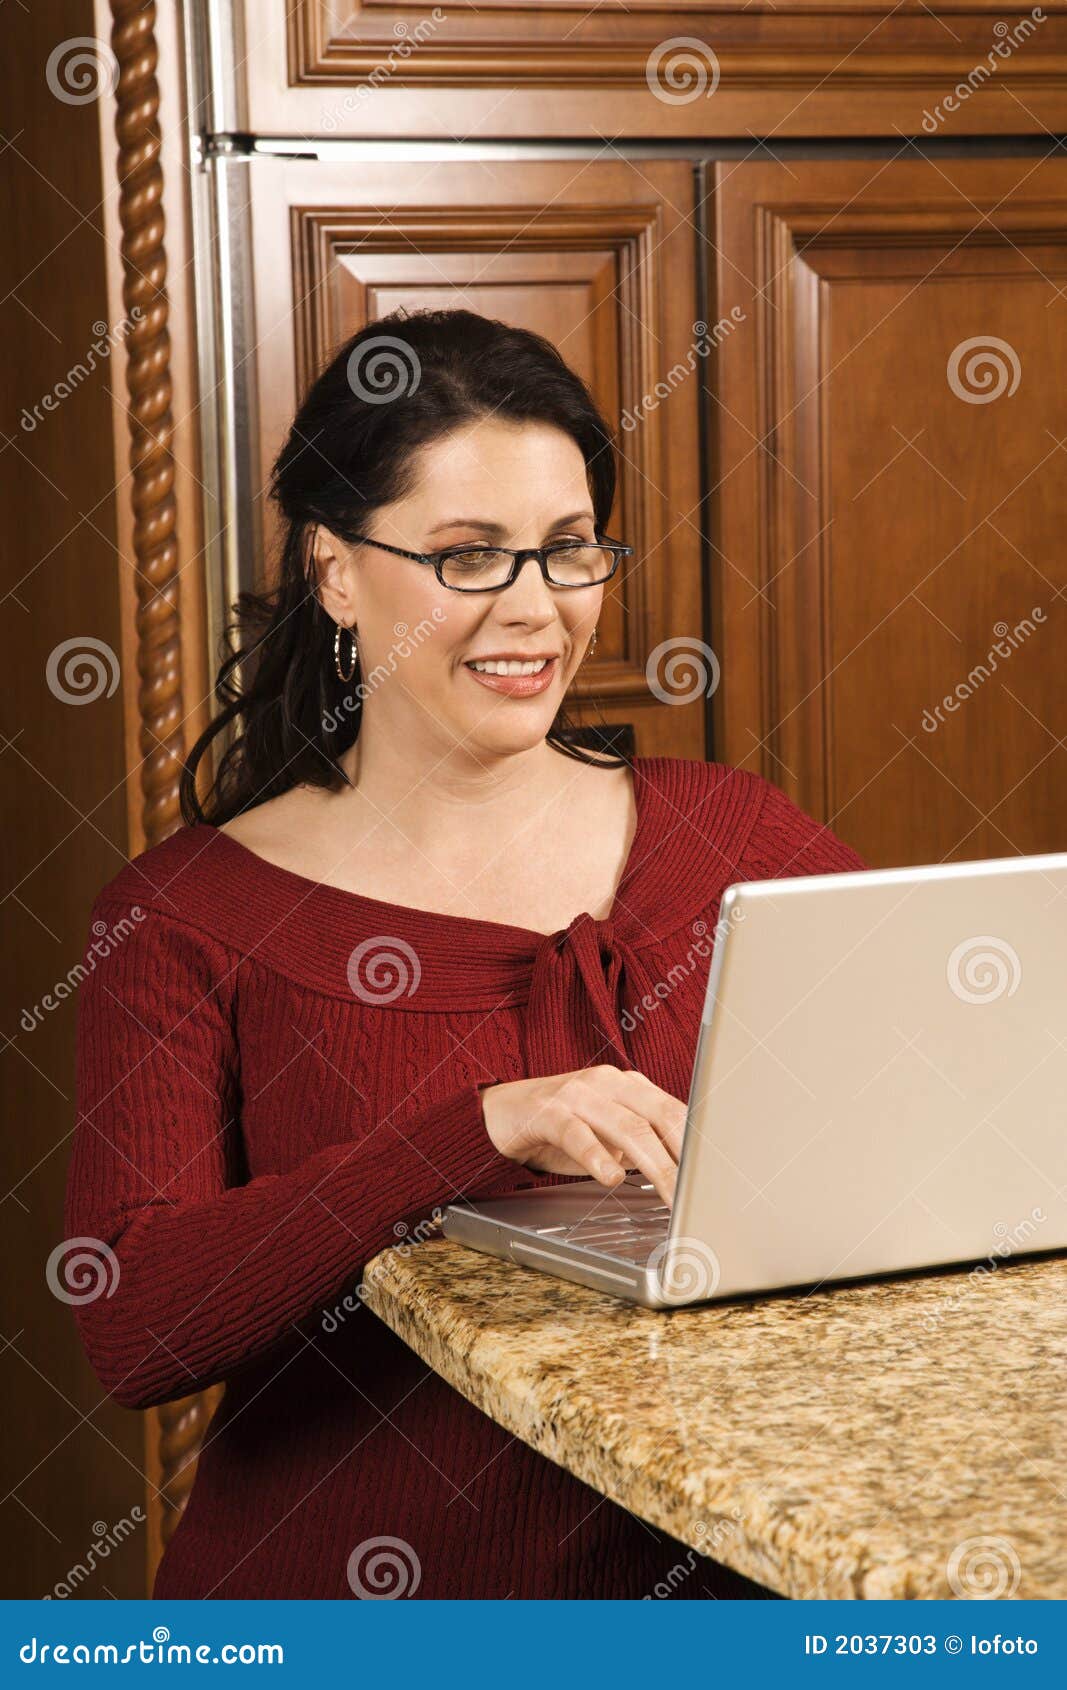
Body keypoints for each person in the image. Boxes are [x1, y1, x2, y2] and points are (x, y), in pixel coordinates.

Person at [66, 308, 867, 1599]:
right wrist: (478, 1128)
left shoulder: (740, 838)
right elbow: (132, 1320)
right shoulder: (182, 918)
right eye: (469, 557)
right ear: (334, 569)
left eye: (566, 551)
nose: (536, 610)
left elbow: (946, 1150)